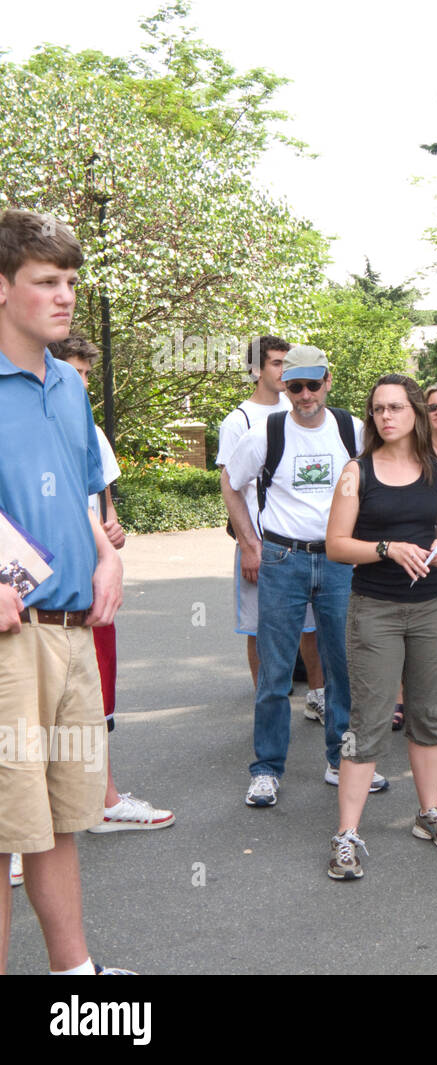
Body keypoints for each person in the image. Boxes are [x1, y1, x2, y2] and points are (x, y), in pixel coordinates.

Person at [0, 208, 129, 974]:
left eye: (72, 282)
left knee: (60, 818)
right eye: (46, 281)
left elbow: (86, 501)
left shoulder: (66, 386)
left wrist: (107, 561)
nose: (65, 296)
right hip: (9, 642)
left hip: (73, 629)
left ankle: (74, 980)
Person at [224, 345, 387, 807]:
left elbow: (375, 479)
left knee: (342, 667)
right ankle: (267, 769)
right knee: (275, 672)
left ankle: (341, 761)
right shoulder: (266, 432)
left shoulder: (350, 429)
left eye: (313, 384)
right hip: (282, 558)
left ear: (327, 382)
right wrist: (250, 542)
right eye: (294, 385)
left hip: (338, 560)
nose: (304, 394)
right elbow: (231, 484)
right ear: (283, 386)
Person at [323, 375, 437, 879]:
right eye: (378, 408)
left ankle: (430, 813)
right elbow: (336, 544)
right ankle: (346, 835)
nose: (386, 416)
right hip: (376, 609)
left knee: (429, 715)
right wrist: (386, 548)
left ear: (416, 415)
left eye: (397, 408)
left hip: (433, 606)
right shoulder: (355, 472)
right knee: (369, 721)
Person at [49, 335, 174, 834]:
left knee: (94, 700)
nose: (82, 384)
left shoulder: (89, 428)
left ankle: (102, 801)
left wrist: (110, 534)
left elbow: (102, 502)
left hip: (89, 588)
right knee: (26, 711)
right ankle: (14, 837)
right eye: (73, 373)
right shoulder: (24, 418)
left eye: (85, 374)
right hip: (36, 594)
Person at [218, 335, 327, 723]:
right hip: (260, 542)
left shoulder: (303, 408)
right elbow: (231, 485)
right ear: (255, 369)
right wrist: (249, 545)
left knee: (312, 624)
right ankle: (266, 696)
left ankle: (318, 695)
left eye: (289, 365)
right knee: (259, 626)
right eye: (277, 364)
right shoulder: (240, 421)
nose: (286, 373)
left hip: (307, 546)